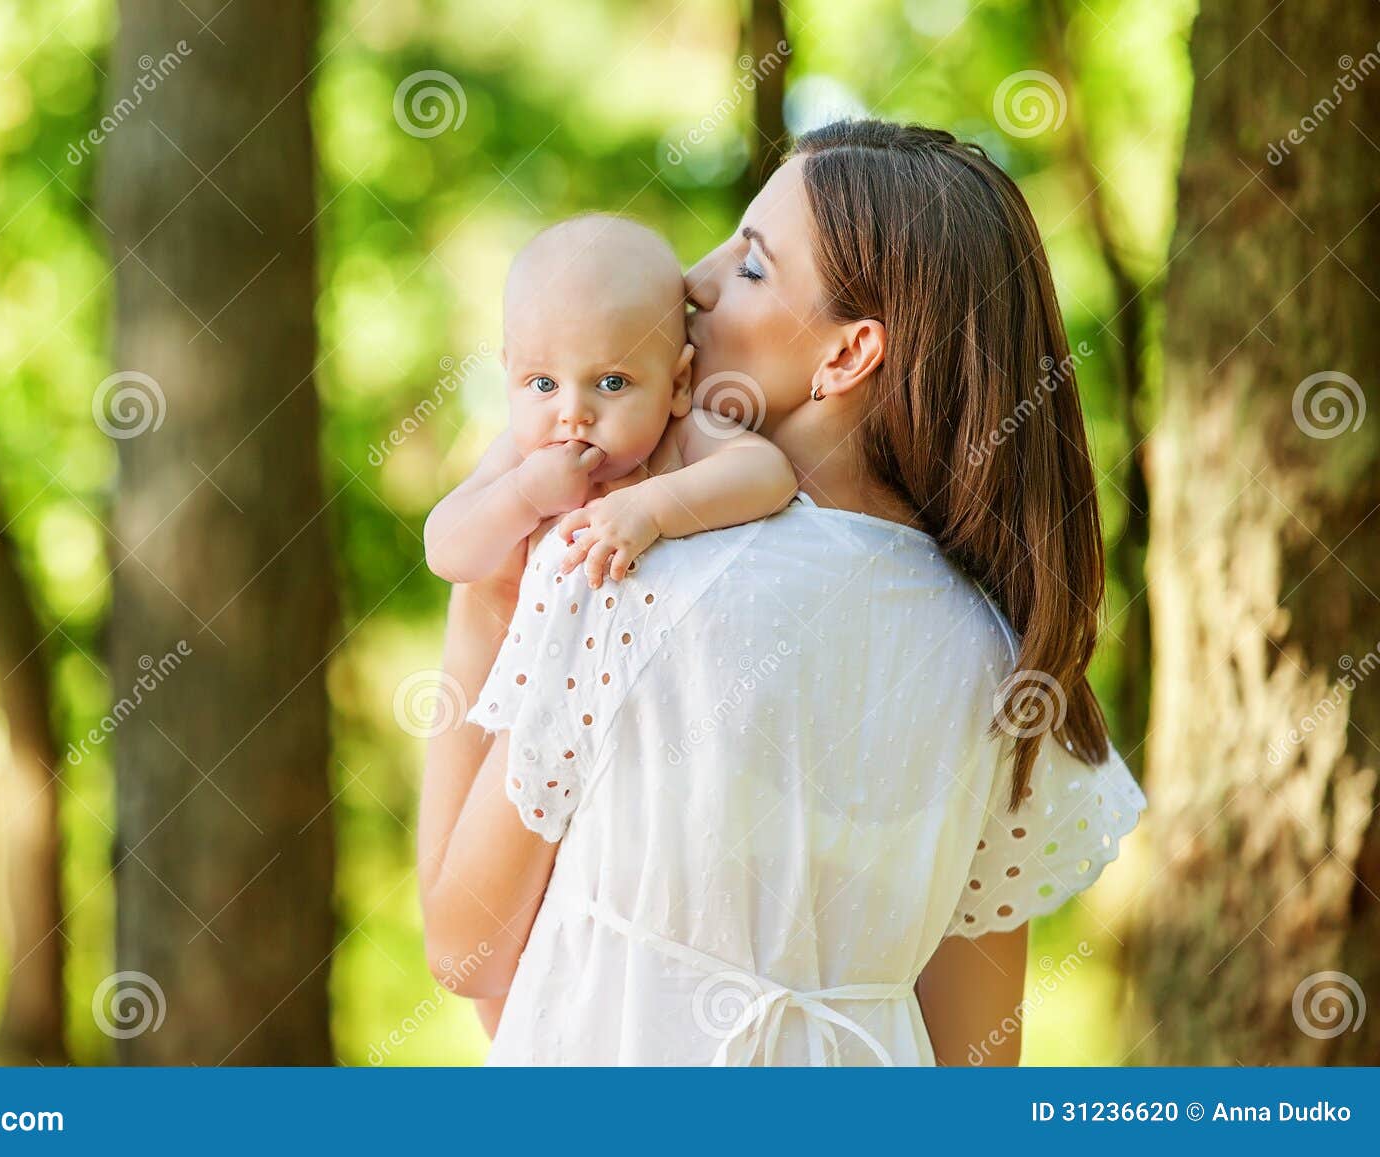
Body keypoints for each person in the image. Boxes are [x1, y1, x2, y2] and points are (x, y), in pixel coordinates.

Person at [417, 119, 1148, 1065]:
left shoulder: (622, 569)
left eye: (753, 266)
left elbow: (464, 948)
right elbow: (978, 1063)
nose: (696, 281)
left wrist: (486, 601)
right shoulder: (1000, 652)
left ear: (848, 355)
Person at [424, 213, 795, 592]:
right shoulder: (518, 460)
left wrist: (651, 507)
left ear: (678, 383)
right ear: (509, 377)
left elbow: (770, 475)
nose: (573, 414)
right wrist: (523, 496)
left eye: (611, 382)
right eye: (543, 383)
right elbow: (444, 551)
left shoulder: (677, 439)